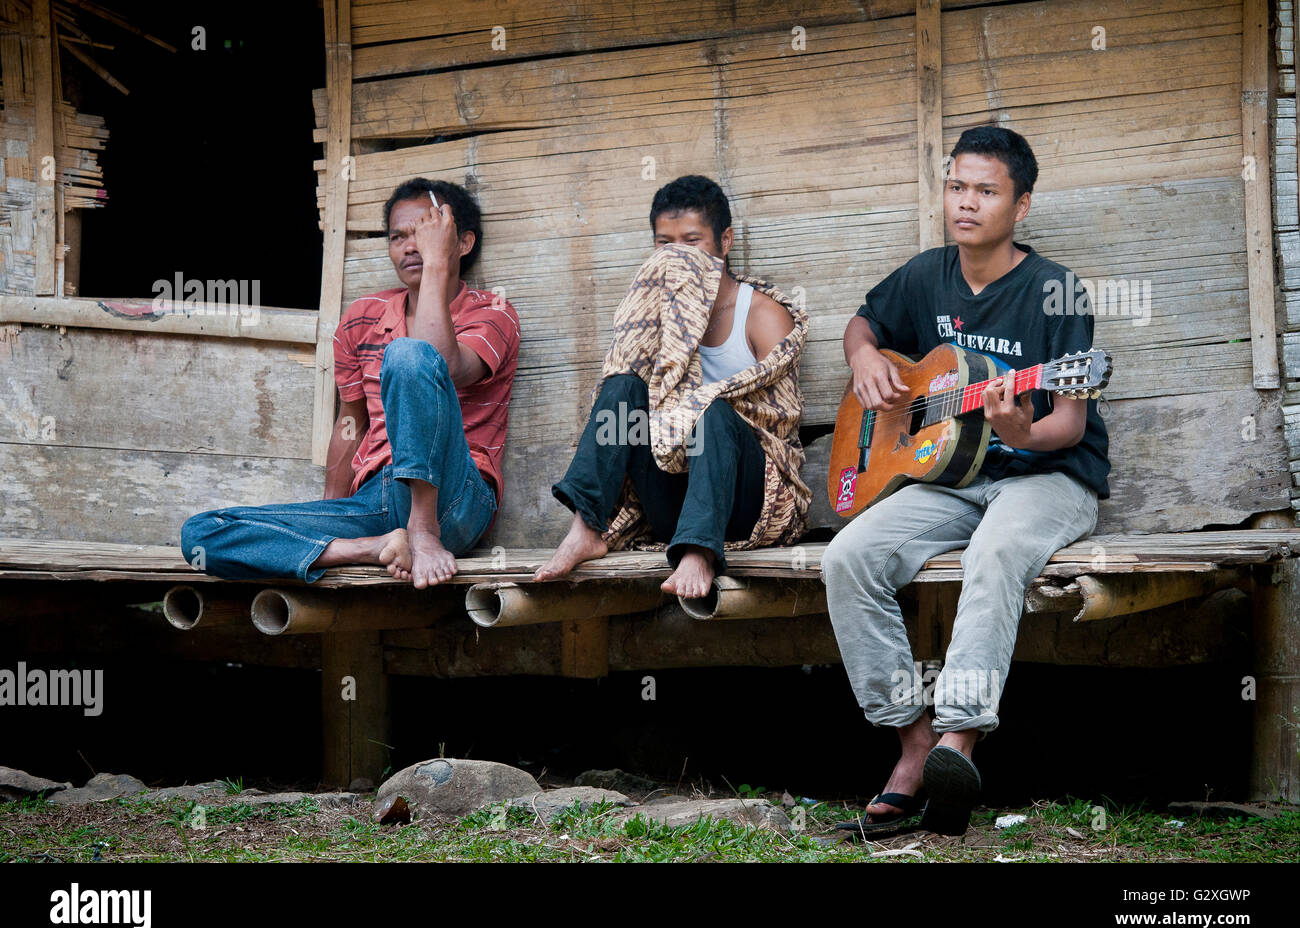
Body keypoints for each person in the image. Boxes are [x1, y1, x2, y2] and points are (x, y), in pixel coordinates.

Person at [822, 126, 1110, 838]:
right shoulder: (926, 275)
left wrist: (1021, 431)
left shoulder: (1054, 289)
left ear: (1022, 205)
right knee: (847, 557)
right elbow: (864, 324)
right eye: (957, 187)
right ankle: (912, 740)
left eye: (986, 191)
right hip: (953, 477)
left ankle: (958, 740)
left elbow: (1068, 422)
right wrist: (864, 359)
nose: (967, 203)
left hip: (1046, 475)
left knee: (994, 554)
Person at [180, 178, 520, 588]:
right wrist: (330, 517)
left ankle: (423, 531)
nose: (411, 246)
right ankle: (370, 548)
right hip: (378, 498)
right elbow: (351, 423)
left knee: (407, 354)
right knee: (201, 534)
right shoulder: (362, 317)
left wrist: (437, 265)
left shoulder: (493, 312)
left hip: (456, 499)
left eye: (425, 234)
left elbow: (442, 361)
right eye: (398, 236)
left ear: (461, 243)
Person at [534, 175, 810, 597]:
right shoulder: (656, 316)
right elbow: (630, 393)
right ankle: (587, 527)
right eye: (666, 245)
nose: (678, 257)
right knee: (623, 385)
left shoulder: (760, 314)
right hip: (673, 502)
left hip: (751, 501)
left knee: (711, 408)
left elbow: (779, 420)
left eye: (692, 241)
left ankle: (699, 554)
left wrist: (692, 404)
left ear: (725, 241)